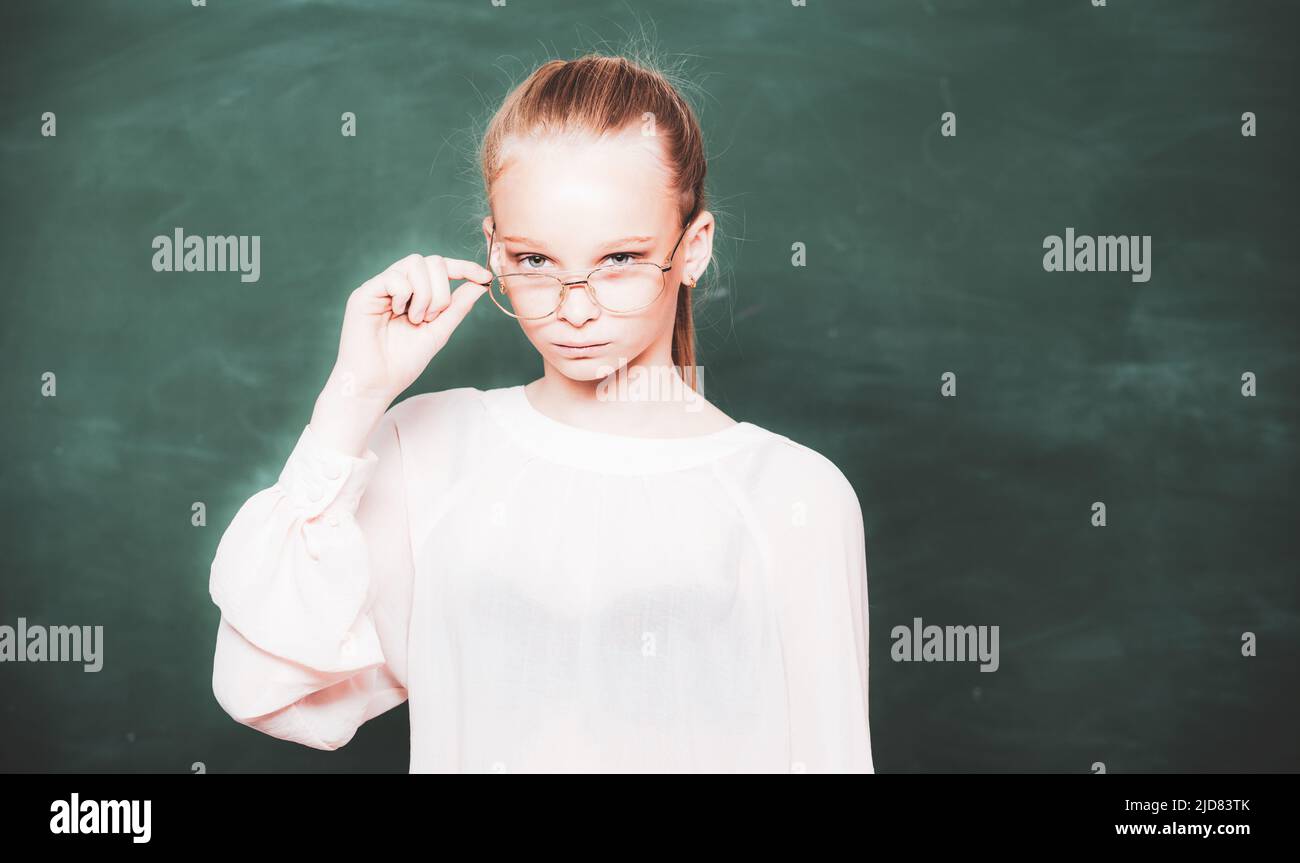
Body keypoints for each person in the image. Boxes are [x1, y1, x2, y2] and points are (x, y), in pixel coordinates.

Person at [208, 53, 874, 773]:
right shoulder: (425, 451)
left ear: (694, 247)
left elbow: (832, 755)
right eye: (535, 261)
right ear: (494, 248)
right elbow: (264, 687)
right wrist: (353, 398)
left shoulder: (795, 496)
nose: (575, 308)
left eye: (620, 257)